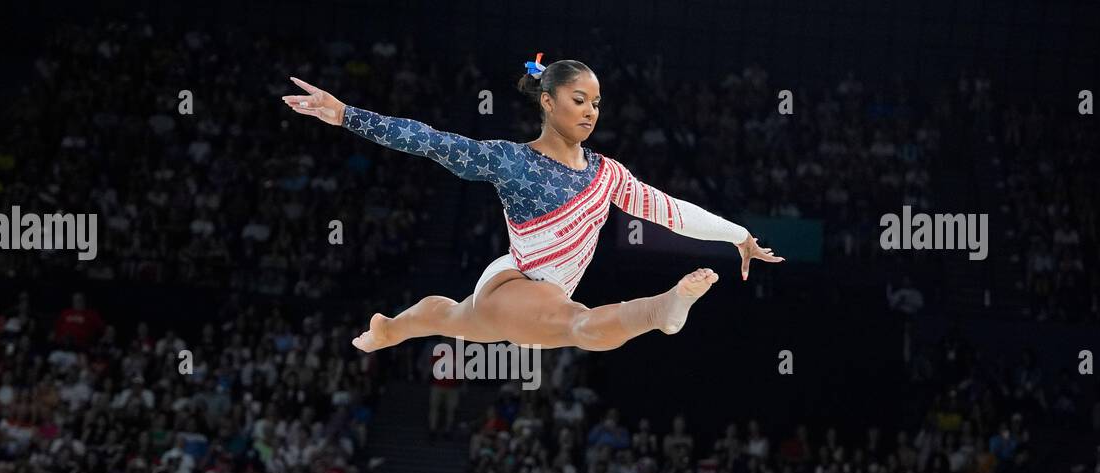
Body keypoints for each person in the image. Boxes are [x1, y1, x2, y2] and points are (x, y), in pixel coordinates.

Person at [281, 57, 783, 353]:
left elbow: (671, 211)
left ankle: (388, 329)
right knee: (580, 325)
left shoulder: (607, 174)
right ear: (547, 101)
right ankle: (663, 310)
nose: (591, 112)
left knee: (449, 317)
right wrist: (346, 115)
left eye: (596, 102)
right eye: (579, 100)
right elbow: (430, 140)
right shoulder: (511, 161)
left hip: (527, 291)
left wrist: (738, 236)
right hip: (522, 285)